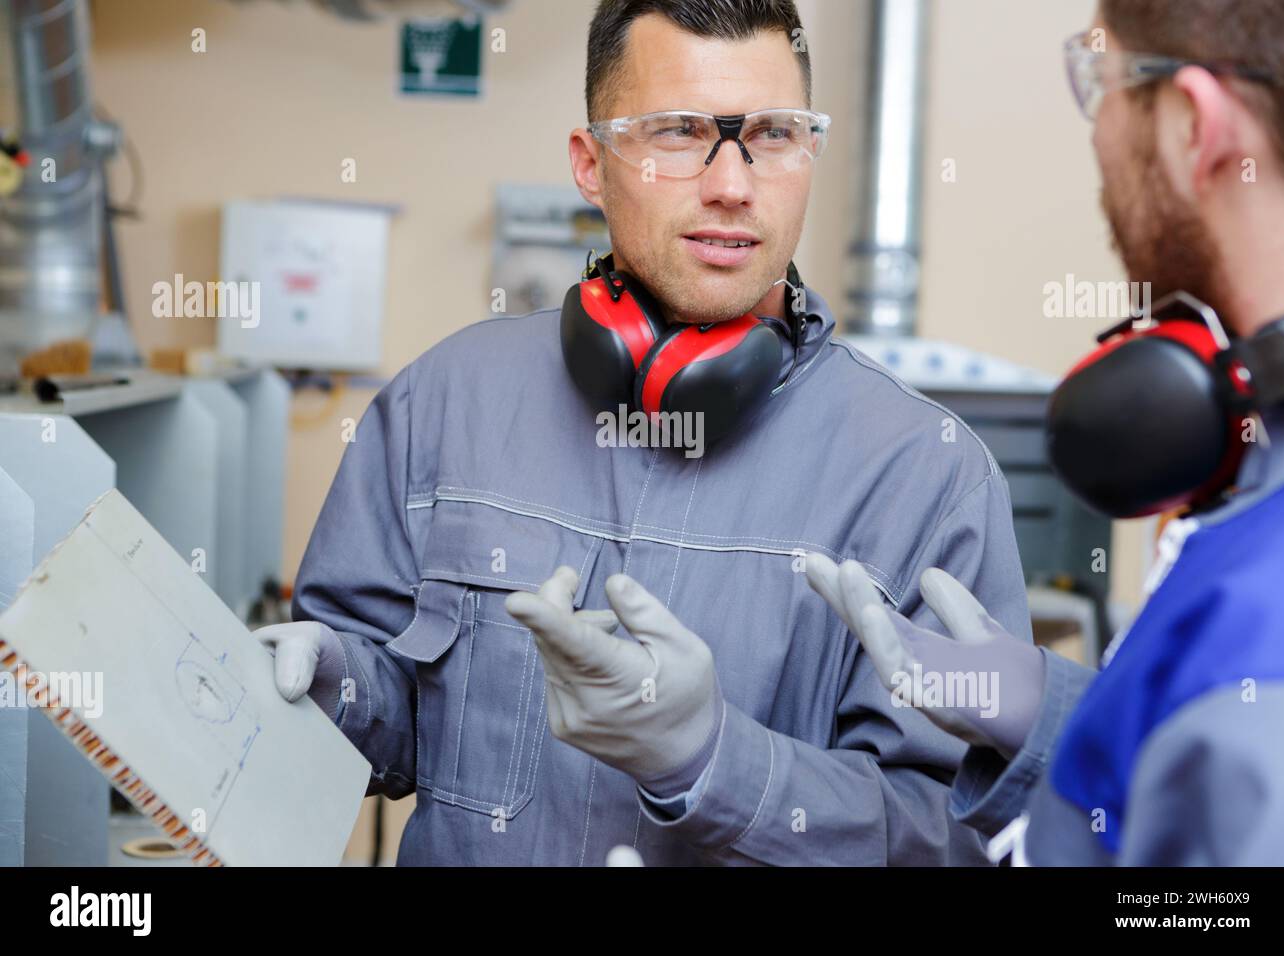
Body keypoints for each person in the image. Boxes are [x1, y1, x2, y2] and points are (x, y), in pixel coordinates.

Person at [256, 0, 1031, 866]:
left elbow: (957, 840)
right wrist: (338, 686)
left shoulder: (927, 475)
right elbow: (389, 717)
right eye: (677, 132)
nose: (733, 184)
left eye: (773, 134)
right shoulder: (444, 401)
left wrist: (715, 762)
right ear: (590, 164)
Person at [808, 0, 1284, 865]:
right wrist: (1061, 717)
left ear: (1193, 123)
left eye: (1099, 83)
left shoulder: (1267, 625)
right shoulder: (1262, 483)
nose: (1098, 135)